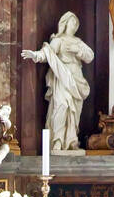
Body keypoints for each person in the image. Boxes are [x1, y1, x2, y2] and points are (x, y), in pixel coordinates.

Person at [22, 13, 94, 151]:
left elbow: (90, 56)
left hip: (76, 78)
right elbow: (47, 53)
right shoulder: (58, 40)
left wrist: (77, 50)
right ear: (65, 23)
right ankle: (58, 140)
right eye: (72, 22)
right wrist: (35, 55)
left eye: (76, 23)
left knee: (74, 111)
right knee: (62, 106)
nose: (75, 25)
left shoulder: (78, 42)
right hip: (62, 76)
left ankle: (72, 140)